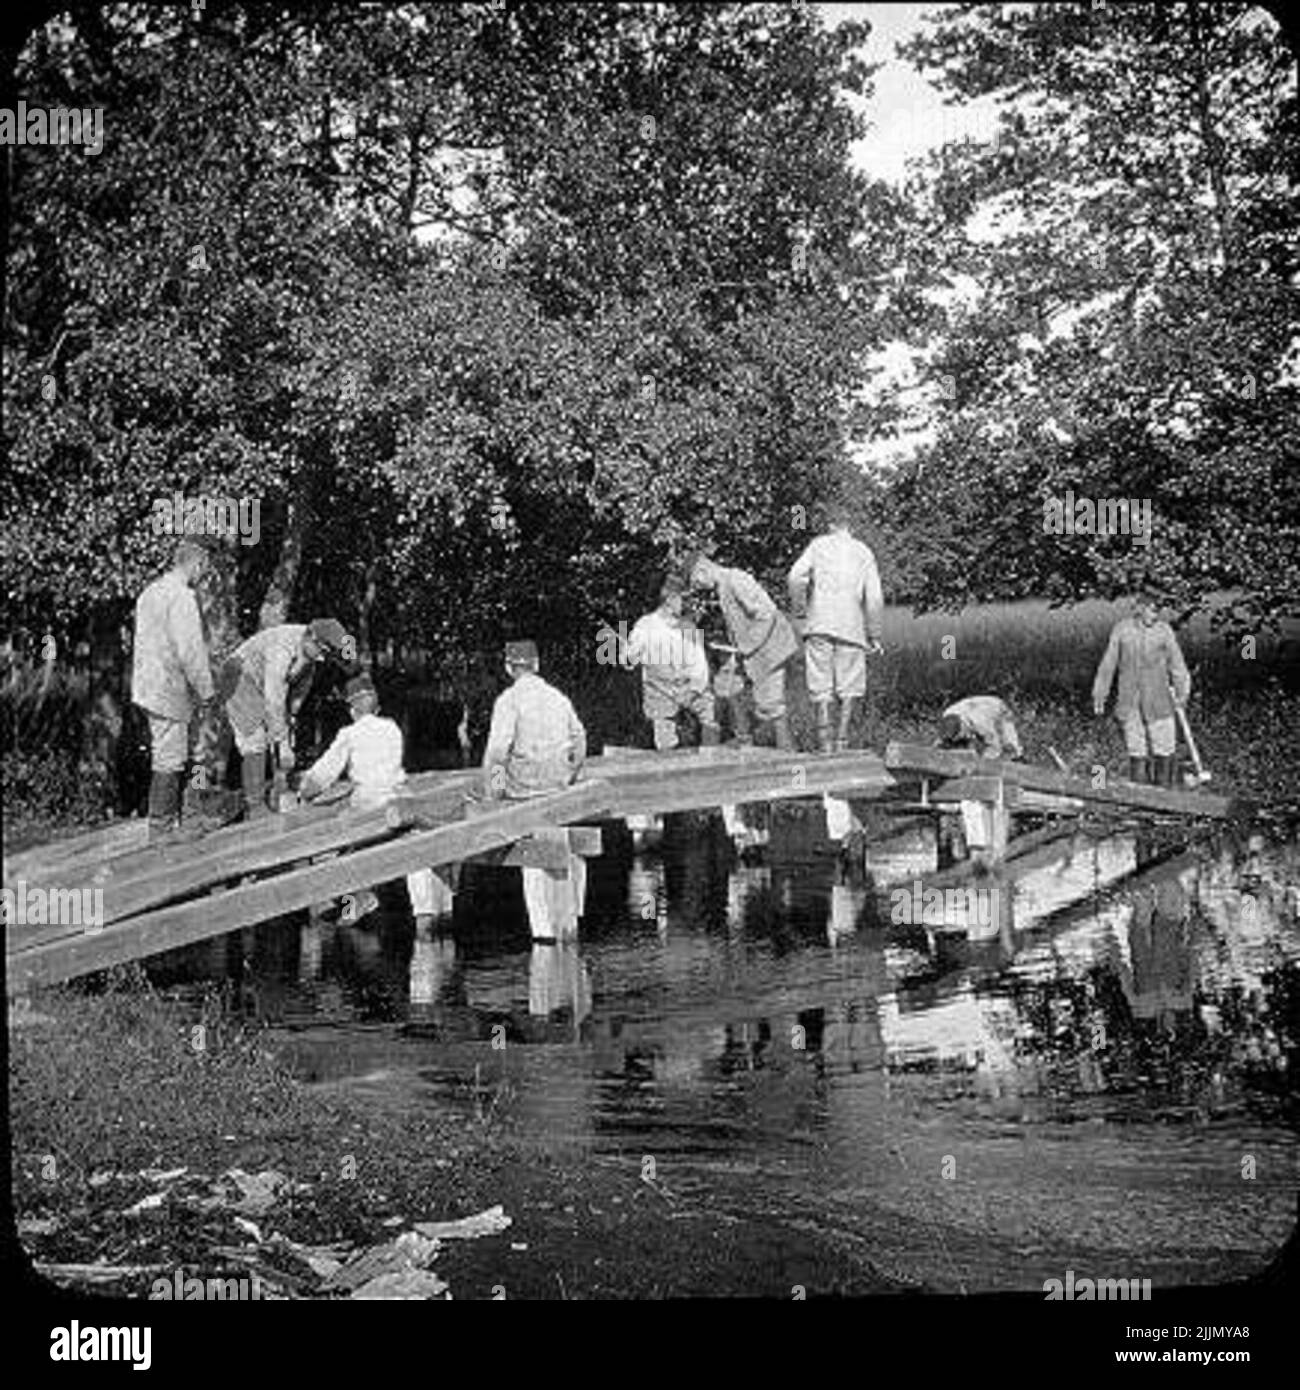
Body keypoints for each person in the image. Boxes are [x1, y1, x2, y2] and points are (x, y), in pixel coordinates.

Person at [221, 617, 353, 819]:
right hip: (239, 678)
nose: (322, 658)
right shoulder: (281, 650)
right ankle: (254, 806)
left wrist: (291, 717)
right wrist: (282, 743)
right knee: (254, 740)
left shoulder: (311, 650)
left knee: (280, 732)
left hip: (263, 681)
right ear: (311, 638)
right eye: (322, 652)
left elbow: (301, 687)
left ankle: (278, 791)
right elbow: (274, 700)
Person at [130, 539, 215, 840]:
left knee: (194, 750)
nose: (204, 576)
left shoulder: (149, 593)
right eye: (205, 569)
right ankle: (161, 828)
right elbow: (190, 650)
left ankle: (192, 818)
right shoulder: (182, 597)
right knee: (171, 757)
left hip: (151, 684)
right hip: (170, 687)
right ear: (198, 564)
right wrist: (206, 690)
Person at [787, 505, 885, 752]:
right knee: (849, 686)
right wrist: (874, 633)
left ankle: (824, 744)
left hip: (819, 623)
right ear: (850, 526)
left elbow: (795, 576)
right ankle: (842, 742)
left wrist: (800, 610)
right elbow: (874, 598)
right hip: (851, 626)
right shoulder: (863, 552)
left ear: (830, 526)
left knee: (820, 685)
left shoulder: (818, 545)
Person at [687, 552, 799, 750]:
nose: (696, 587)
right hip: (755, 646)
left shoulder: (736, 580)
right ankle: (744, 739)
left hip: (771, 645)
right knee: (727, 685)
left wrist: (746, 647)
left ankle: (788, 757)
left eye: (695, 581)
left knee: (770, 703)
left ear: (702, 570)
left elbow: (767, 614)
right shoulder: (723, 586)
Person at [1092, 590, 1190, 786]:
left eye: (1159, 610)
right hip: (1130, 703)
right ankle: (1140, 803)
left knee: (1164, 749)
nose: (1157, 615)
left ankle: (1164, 801)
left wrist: (1182, 693)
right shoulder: (1122, 630)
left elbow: (1177, 665)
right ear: (1141, 609)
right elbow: (1108, 664)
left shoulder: (1164, 631)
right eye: (1153, 610)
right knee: (1137, 752)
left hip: (1159, 702)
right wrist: (1100, 694)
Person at [624, 576, 719, 750]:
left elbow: (700, 667)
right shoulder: (645, 626)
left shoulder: (688, 627)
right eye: (683, 599)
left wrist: (693, 691)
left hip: (687, 687)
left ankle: (711, 756)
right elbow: (629, 658)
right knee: (663, 729)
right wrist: (628, 654)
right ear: (670, 600)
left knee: (709, 714)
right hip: (660, 691)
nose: (686, 604)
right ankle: (668, 761)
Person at [482, 639, 587, 799]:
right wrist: (571, 776)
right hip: (558, 786)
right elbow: (579, 739)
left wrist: (494, 795)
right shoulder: (558, 697)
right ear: (536, 665)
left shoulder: (508, 700)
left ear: (508, 668)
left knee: (474, 791)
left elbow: (497, 753)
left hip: (522, 789)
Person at [296, 672, 405, 811]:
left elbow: (326, 772)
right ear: (376, 708)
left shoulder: (349, 734)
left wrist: (304, 791)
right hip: (393, 796)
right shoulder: (392, 727)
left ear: (352, 710)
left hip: (367, 801)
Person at [938, 695, 1023, 761]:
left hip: (998, 709)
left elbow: (994, 745)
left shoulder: (981, 723)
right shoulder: (947, 715)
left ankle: (1019, 763)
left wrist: (985, 760)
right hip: (975, 709)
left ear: (963, 726)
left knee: (1010, 748)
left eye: (960, 735)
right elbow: (943, 738)